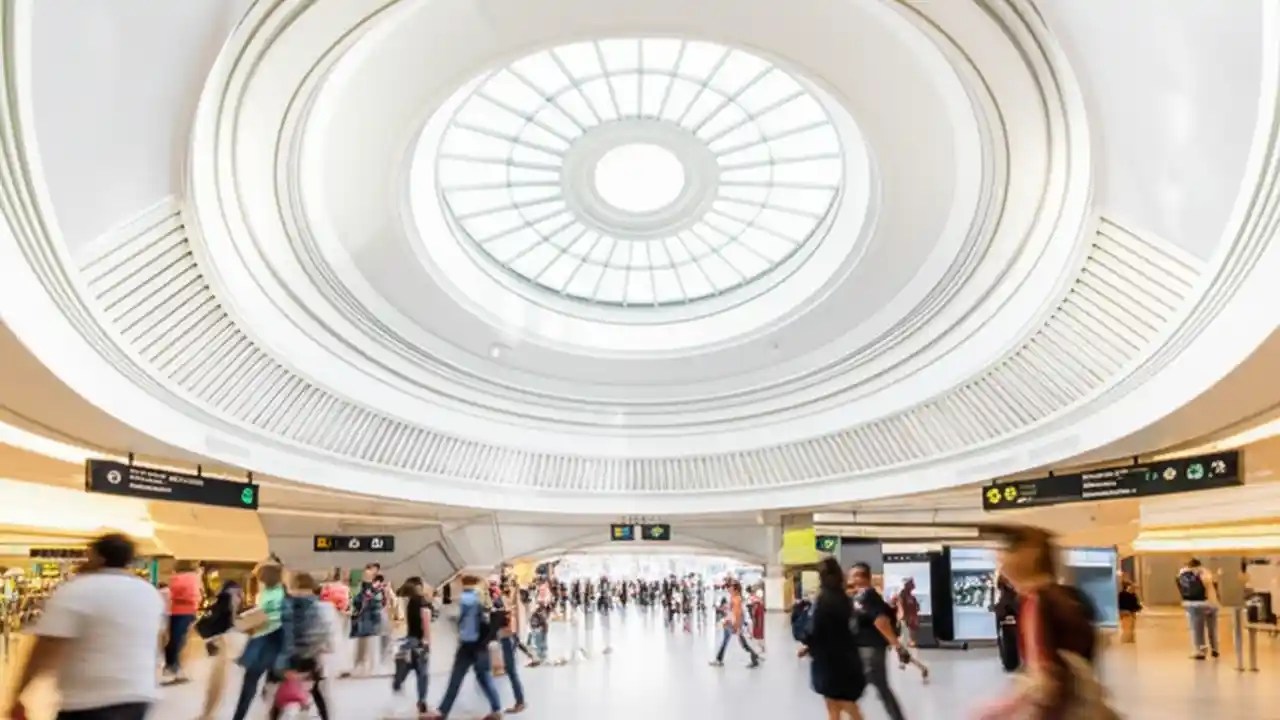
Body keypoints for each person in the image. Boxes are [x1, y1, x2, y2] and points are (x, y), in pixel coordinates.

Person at [4, 533, 163, 720]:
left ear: (98, 557)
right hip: (137, 696)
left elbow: (46, 647)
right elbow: (159, 639)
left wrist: (19, 693)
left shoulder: (77, 589)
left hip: (88, 701)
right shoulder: (149, 593)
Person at [974, 526, 1116, 720]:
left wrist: (1000, 710)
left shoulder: (1036, 602)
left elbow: (1045, 680)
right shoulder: (1069, 596)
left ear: (1022, 560)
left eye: (1006, 552)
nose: (1000, 560)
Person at [425, 575, 502, 720]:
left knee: (457, 679)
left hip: (470, 645)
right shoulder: (481, 598)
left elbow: (459, 613)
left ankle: (443, 712)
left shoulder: (469, 597)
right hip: (479, 645)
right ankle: (496, 709)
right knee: (483, 678)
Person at [799, 556, 865, 720]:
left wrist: (807, 642)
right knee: (836, 705)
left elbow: (814, 629)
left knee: (839, 704)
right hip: (847, 656)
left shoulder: (823, 599)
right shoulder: (844, 598)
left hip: (828, 661)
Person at [848, 563, 912, 720]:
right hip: (864, 650)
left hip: (870, 651)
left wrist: (897, 646)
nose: (849, 579)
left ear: (860, 577)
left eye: (852, 575)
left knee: (859, 689)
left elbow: (881, 621)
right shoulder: (860, 596)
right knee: (877, 689)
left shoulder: (869, 597)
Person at [232, 560, 293, 720]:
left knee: (251, 681)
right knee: (273, 681)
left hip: (265, 639)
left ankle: (239, 716)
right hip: (278, 639)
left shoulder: (267, 594)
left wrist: (251, 620)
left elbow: (266, 616)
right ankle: (273, 715)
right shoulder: (283, 592)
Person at [196, 580, 242, 720]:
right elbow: (225, 623)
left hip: (215, 641)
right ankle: (208, 714)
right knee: (217, 680)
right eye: (238, 593)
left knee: (217, 680)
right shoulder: (227, 601)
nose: (240, 597)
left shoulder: (220, 602)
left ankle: (208, 712)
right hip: (219, 642)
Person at [392, 577, 433, 717]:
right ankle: (422, 701)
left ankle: (397, 683)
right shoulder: (422, 602)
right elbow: (425, 621)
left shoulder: (411, 602)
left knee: (408, 666)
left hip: (410, 640)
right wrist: (427, 641)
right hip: (420, 641)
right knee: (422, 673)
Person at [710, 580, 760, 668]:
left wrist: (736, 626)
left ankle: (754, 657)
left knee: (741, 643)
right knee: (736, 642)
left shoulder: (736, 599)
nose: (728, 588)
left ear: (735, 589)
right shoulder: (735, 597)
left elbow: (737, 613)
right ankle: (719, 659)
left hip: (733, 624)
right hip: (732, 623)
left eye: (730, 587)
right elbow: (733, 611)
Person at [1177, 558, 1220, 659]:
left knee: (1198, 630)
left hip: (1197, 604)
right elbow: (1214, 584)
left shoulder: (1186, 573)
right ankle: (1215, 649)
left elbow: (1180, 582)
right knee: (1212, 628)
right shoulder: (1207, 572)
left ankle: (1201, 651)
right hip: (1212, 604)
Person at [1117, 579, 1141, 644]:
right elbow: (1134, 605)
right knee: (1129, 628)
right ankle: (1127, 642)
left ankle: (1128, 641)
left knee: (1126, 627)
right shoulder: (1131, 595)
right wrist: (1138, 608)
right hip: (1129, 613)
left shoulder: (1120, 594)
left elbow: (1118, 604)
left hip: (1122, 612)